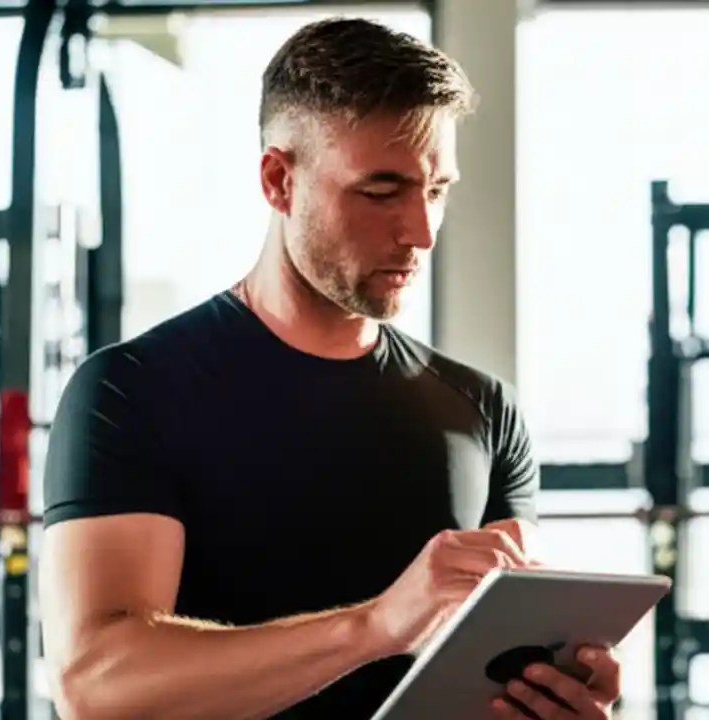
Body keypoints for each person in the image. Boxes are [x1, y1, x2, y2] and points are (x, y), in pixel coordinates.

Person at [38, 17, 620, 720]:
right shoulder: (133, 391)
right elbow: (95, 685)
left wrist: (551, 694)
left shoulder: (483, 409)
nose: (421, 232)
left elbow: (481, 679)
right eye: (381, 191)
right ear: (280, 180)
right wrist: (375, 626)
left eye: (436, 189)